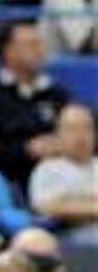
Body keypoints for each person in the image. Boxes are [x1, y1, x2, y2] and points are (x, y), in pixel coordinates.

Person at [0, 22, 72, 195]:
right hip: (2, 187)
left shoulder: (57, 94)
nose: (41, 51)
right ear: (8, 51)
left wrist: (63, 144)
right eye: (32, 44)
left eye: (41, 43)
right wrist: (25, 150)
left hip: (58, 187)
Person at [28, 104, 98, 243]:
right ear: (58, 135)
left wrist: (71, 202)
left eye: (87, 128)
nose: (80, 135)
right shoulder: (47, 169)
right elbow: (44, 206)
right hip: (68, 237)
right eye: (72, 129)